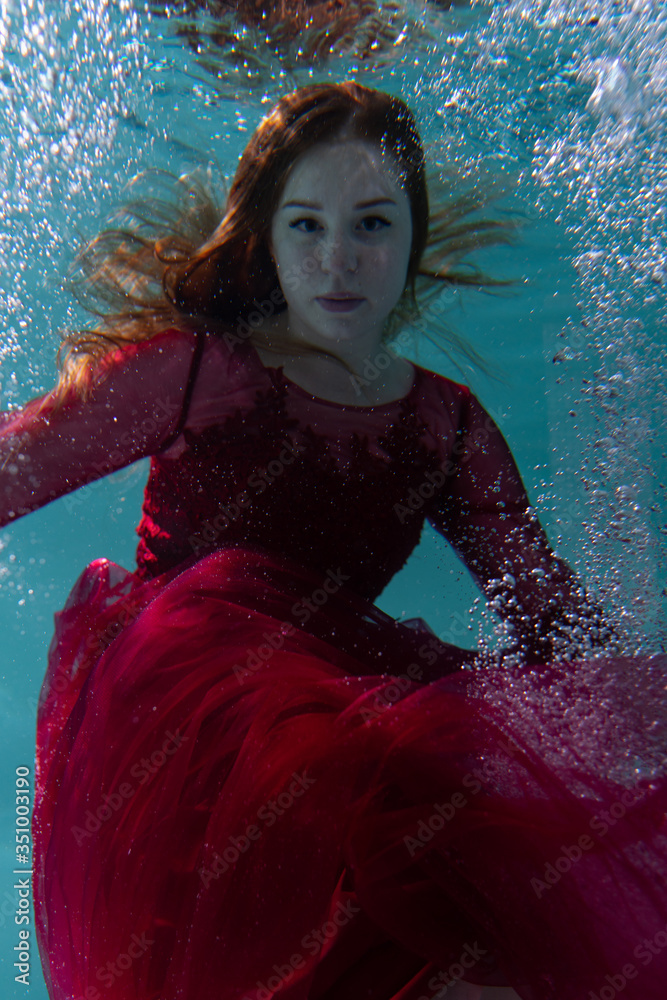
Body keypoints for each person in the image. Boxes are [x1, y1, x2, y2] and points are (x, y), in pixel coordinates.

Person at [1, 81, 666, 1000]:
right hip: (179, 718)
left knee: (475, 913)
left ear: (412, 238)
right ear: (266, 236)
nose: (339, 261)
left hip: (341, 715)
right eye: (307, 226)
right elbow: (14, 468)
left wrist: (626, 715)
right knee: (338, 777)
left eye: (372, 224)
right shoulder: (202, 371)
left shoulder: (444, 424)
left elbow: (543, 607)